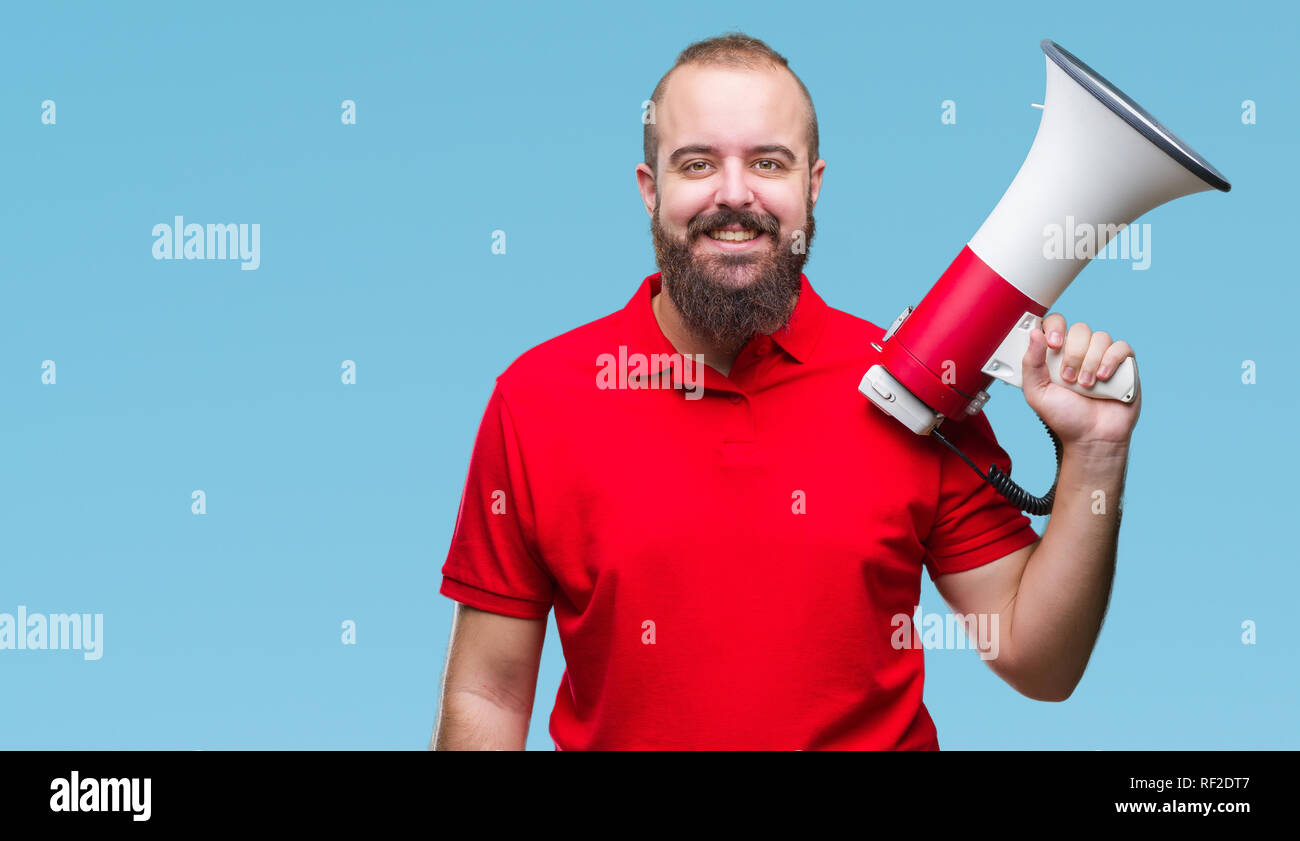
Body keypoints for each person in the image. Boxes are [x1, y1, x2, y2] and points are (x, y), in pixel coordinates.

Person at [431, 32, 1141, 750]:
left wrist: (1096, 454)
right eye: (698, 163)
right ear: (651, 191)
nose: (734, 194)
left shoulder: (912, 387)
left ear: (812, 185)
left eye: (767, 162)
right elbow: (487, 693)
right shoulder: (538, 399)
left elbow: (1041, 661)